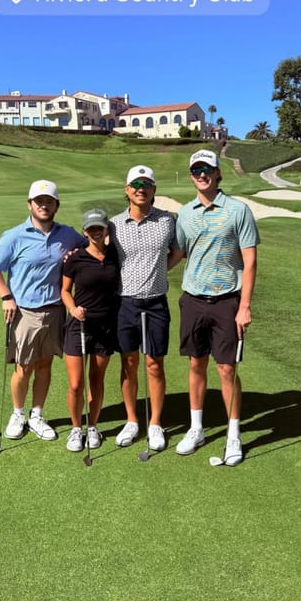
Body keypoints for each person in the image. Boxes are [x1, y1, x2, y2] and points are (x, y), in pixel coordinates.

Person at [174, 150, 260, 466]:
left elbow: (250, 262)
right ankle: (196, 429)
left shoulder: (239, 211)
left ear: (217, 172)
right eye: (196, 169)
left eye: (207, 169)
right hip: (193, 300)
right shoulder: (184, 214)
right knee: (196, 365)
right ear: (191, 174)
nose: (202, 174)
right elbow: (178, 254)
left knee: (226, 369)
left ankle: (233, 435)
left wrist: (245, 307)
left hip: (228, 301)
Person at [0, 180, 87, 441]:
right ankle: (18, 413)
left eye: (49, 201)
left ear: (56, 205)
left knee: (45, 365)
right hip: (24, 312)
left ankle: (37, 414)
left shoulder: (68, 235)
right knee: (23, 367)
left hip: (54, 310)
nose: (44, 205)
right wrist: (6, 296)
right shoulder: (14, 235)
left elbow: (92, 244)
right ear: (29, 204)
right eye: (39, 201)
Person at [108, 165, 184, 451]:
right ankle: (132, 421)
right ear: (127, 190)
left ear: (154, 190)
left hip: (155, 303)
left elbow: (178, 250)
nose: (141, 188)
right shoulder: (114, 224)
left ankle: (154, 423)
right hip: (125, 303)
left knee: (154, 364)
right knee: (128, 363)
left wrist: (163, 270)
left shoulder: (167, 220)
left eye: (147, 184)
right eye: (135, 184)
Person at [61, 208, 120, 452]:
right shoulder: (75, 259)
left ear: (107, 230)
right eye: (91, 228)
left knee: (96, 380)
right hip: (79, 324)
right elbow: (65, 291)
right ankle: (77, 428)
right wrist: (73, 308)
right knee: (76, 383)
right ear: (84, 231)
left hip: (105, 325)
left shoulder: (115, 255)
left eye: (100, 228)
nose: (96, 232)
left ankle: (92, 426)